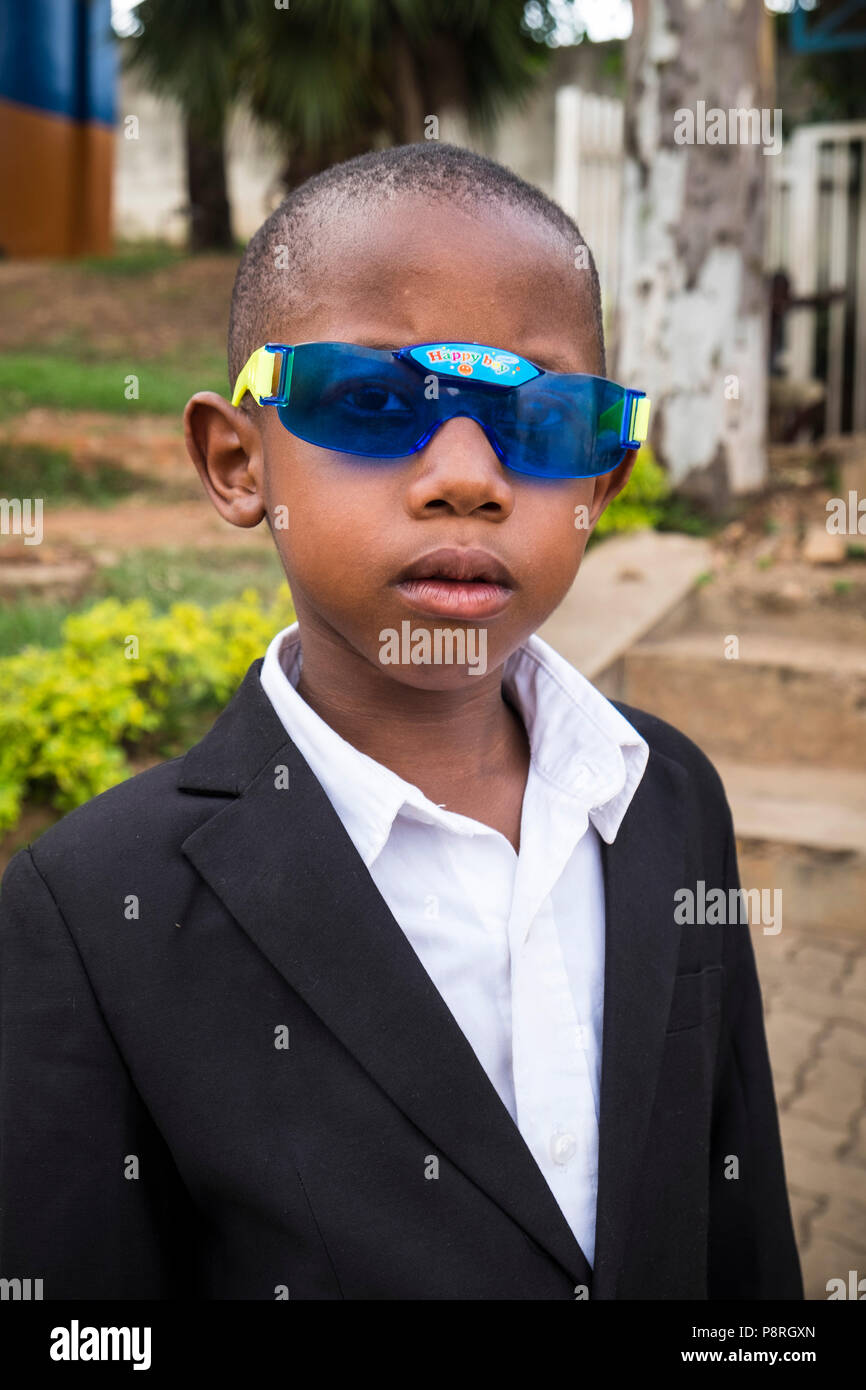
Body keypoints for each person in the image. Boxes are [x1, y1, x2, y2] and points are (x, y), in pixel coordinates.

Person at [0, 142, 802, 1300]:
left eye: (539, 421)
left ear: (600, 487)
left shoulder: (666, 793)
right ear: (237, 461)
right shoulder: (90, 912)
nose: (467, 474)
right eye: (377, 401)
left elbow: (740, 1228)